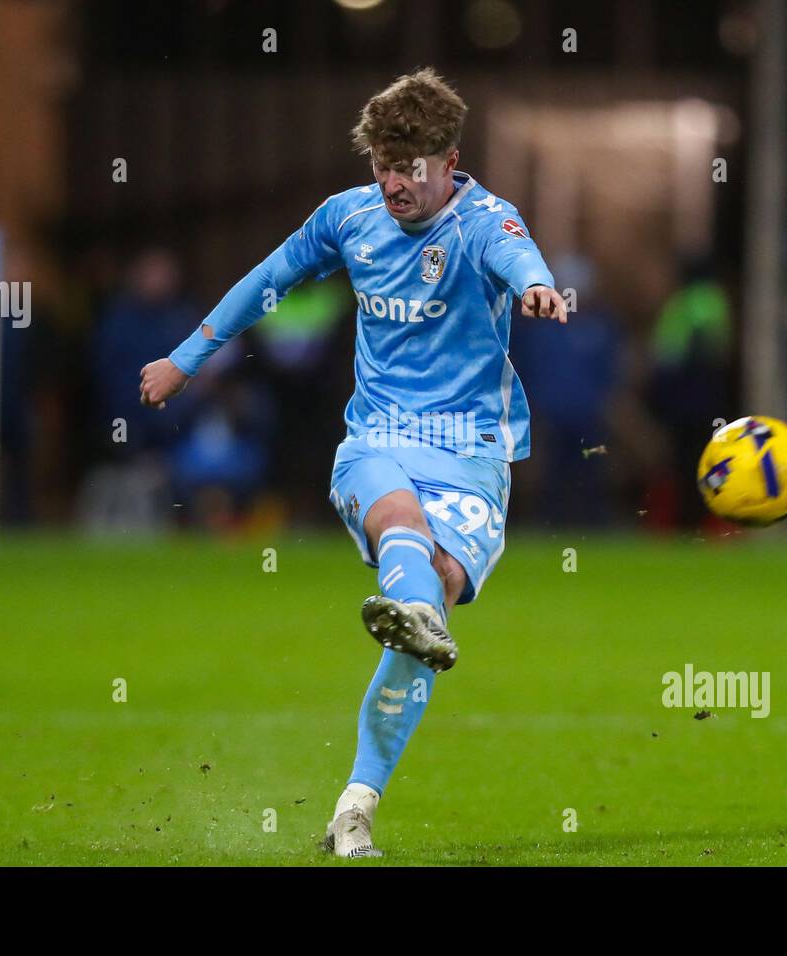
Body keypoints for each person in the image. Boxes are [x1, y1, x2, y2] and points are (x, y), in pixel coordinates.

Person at [138, 68, 566, 857]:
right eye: (382, 164)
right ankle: (418, 614)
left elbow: (522, 260)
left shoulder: (485, 223)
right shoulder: (348, 218)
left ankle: (355, 804)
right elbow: (269, 280)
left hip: (473, 454)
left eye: (410, 167)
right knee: (400, 530)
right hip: (378, 439)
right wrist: (185, 357)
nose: (394, 181)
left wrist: (538, 291)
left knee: (423, 613)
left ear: (450, 158)